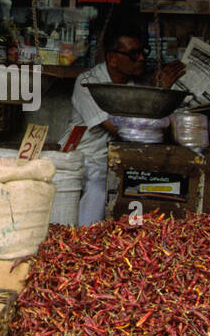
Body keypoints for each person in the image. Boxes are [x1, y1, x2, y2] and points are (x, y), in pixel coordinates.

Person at [70, 23, 185, 226]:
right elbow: (124, 131)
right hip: (88, 158)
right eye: (133, 54)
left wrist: (160, 93)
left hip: (120, 157)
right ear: (112, 59)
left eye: (142, 52)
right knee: (98, 189)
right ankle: (83, 239)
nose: (141, 58)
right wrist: (159, 95)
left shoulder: (134, 84)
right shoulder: (88, 82)